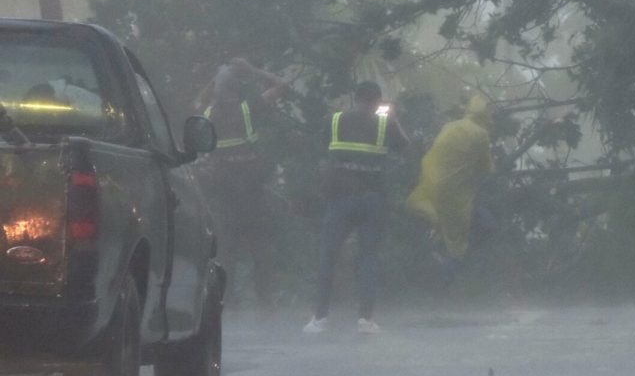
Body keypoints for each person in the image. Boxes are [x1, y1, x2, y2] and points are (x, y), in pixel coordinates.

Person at [304, 82, 411, 335]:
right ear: (377, 101)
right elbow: (407, 147)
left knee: (328, 256)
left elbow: (318, 146)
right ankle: (365, 319)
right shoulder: (385, 124)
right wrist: (393, 119)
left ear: (355, 98)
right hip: (372, 200)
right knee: (368, 258)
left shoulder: (336, 120)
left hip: (340, 198)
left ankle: (319, 318)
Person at [200, 58, 290, 308]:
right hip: (250, 188)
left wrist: (216, 76)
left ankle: (228, 299)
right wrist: (254, 69)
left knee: (226, 247)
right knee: (259, 244)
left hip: (223, 189)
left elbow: (200, 99)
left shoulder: (207, 112)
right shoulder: (248, 107)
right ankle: (265, 299)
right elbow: (282, 86)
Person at [405, 94, 494, 265]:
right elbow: (487, 169)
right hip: (455, 193)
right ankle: (451, 271)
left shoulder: (449, 126)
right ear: (485, 115)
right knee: (469, 235)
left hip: (428, 185)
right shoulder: (481, 134)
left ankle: (433, 255)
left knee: (443, 224)